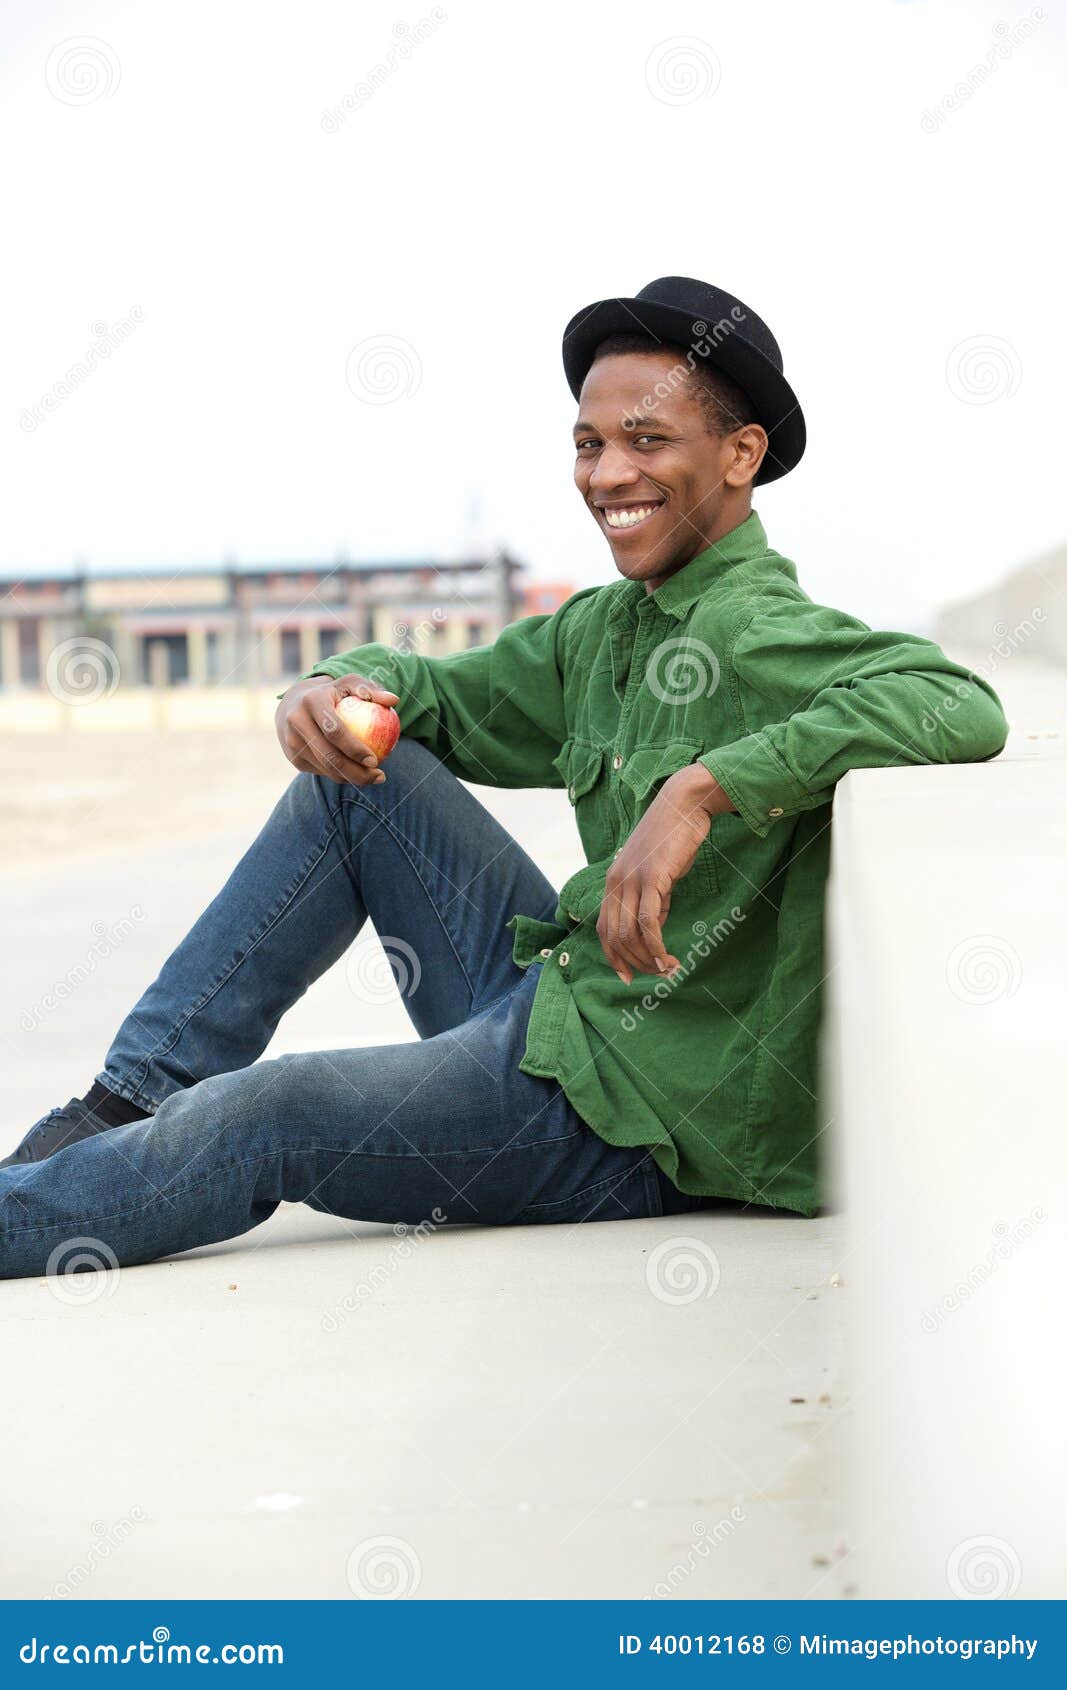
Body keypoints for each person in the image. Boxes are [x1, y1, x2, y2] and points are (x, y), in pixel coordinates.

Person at [0, 276, 1007, 1279]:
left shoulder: (758, 632)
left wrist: (702, 785)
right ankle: (121, 1105)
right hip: (560, 1007)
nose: (606, 473)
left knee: (262, 1114)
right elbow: (430, 693)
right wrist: (327, 686)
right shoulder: (602, 629)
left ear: (740, 455)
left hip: (628, 1117)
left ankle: (29, 1210)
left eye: (646, 441)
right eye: (587, 443)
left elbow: (954, 703)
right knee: (353, 786)